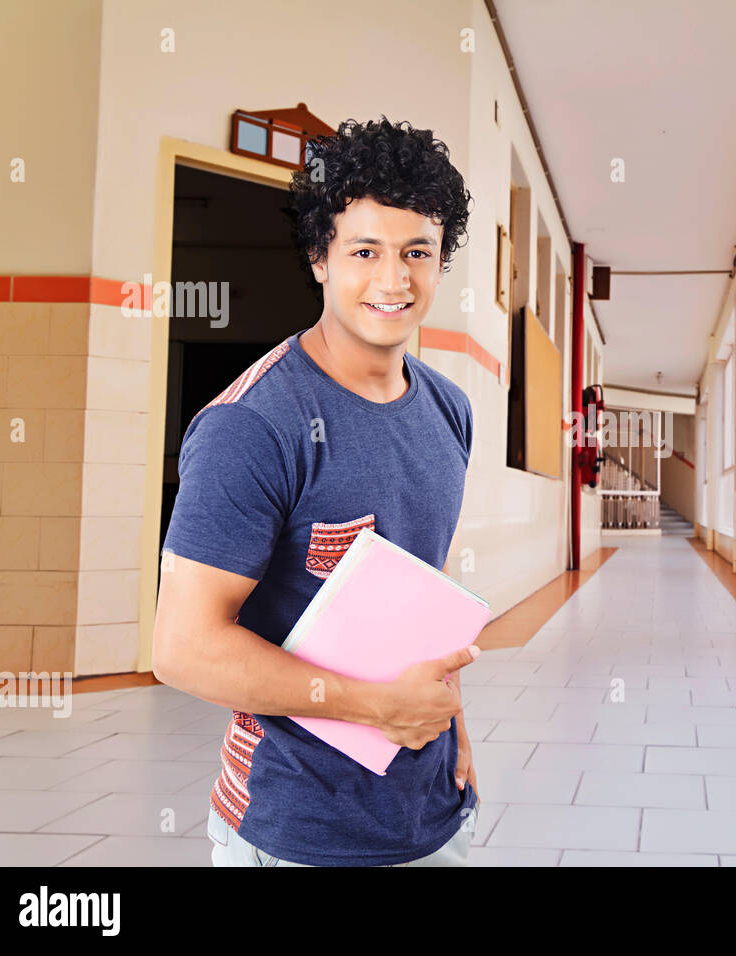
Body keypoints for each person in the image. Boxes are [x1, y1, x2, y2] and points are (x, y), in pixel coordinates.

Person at [153, 117, 481, 866]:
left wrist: (453, 725)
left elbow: (414, 601)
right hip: (295, 831)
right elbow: (181, 648)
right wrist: (376, 708)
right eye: (365, 251)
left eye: (416, 253)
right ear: (320, 259)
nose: (394, 280)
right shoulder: (253, 425)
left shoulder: (448, 411)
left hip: (433, 814)